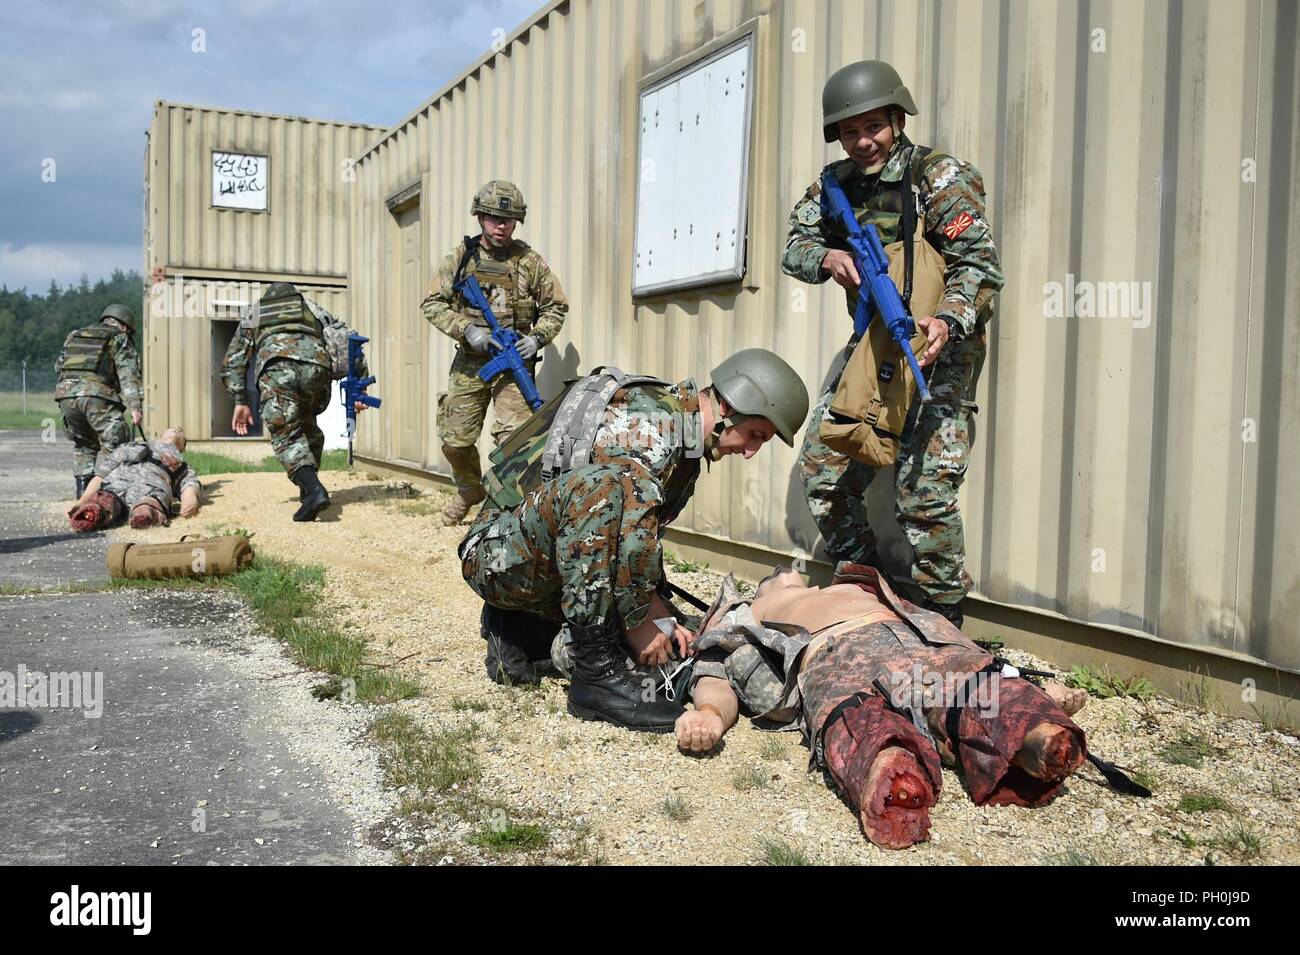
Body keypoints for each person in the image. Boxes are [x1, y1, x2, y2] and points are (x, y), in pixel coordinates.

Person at [459, 349, 810, 731]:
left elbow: (635, 540)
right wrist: (638, 621)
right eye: (755, 434)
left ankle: (520, 628)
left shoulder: (684, 443)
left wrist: (655, 610)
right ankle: (595, 677)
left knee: (668, 628)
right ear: (729, 405)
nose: (749, 452)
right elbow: (608, 517)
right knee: (602, 490)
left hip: (532, 557)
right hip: (494, 558)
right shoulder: (652, 425)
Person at [782, 60, 1005, 627]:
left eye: (874, 126)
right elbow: (794, 245)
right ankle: (863, 589)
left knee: (923, 497)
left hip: (939, 354)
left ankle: (942, 621)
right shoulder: (834, 185)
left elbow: (978, 264)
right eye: (850, 131)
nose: (863, 141)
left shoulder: (938, 176)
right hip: (871, 347)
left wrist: (946, 322)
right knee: (824, 473)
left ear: (898, 119)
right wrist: (827, 256)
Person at [677, 564, 1089, 849]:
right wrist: (710, 715)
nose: (786, 573)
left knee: (966, 686)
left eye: (793, 573)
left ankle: (1034, 733)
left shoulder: (856, 586)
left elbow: (951, 642)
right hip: (830, 655)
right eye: (774, 577)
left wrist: (1012, 674)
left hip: (909, 643)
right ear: (761, 589)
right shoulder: (746, 614)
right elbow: (716, 673)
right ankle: (893, 774)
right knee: (852, 716)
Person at [421, 180, 569, 526]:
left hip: (514, 362)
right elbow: (432, 303)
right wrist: (467, 330)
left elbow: (555, 307)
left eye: (508, 220)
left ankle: (502, 514)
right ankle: (470, 489)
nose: (501, 226)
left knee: (515, 441)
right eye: (493, 218)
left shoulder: (529, 261)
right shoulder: (461, 258)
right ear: (480, 217)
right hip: (471, 362)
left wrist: (537, 338)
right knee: (455, 439)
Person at [221, 282, 365, 521]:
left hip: (278, 368)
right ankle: (308, 493)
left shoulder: (256, 310)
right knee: (307, 427)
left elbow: (235, 360)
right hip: (317, 370)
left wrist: (239, 400)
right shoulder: (312, 308)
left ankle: (314, 490)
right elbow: (351, 340)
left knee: (286, 433)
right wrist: (358, 388)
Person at [54, 303, 143, 499]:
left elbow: (58, 366)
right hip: (97, 396)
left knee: (84, 445)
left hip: (66, 397)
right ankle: (107, 495)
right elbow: (128, 373)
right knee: (116, 445)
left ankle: (82, 496)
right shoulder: (119, 337)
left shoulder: (75, 335)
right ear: (126, 326)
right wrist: (135, 406)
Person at [67, 426, 200, 531]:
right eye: (173, 429)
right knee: (102, 501)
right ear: (160, 436)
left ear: (181, 448)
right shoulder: (132, 446)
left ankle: (143, 515)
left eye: (181, 433)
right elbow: (102, 474)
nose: (178, 429)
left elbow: (189, 484)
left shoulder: (180, 464)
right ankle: (91, 514)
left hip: (151, 490)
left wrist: (190, 501)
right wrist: (82, 502)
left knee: (147, 507)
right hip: (116, 486)